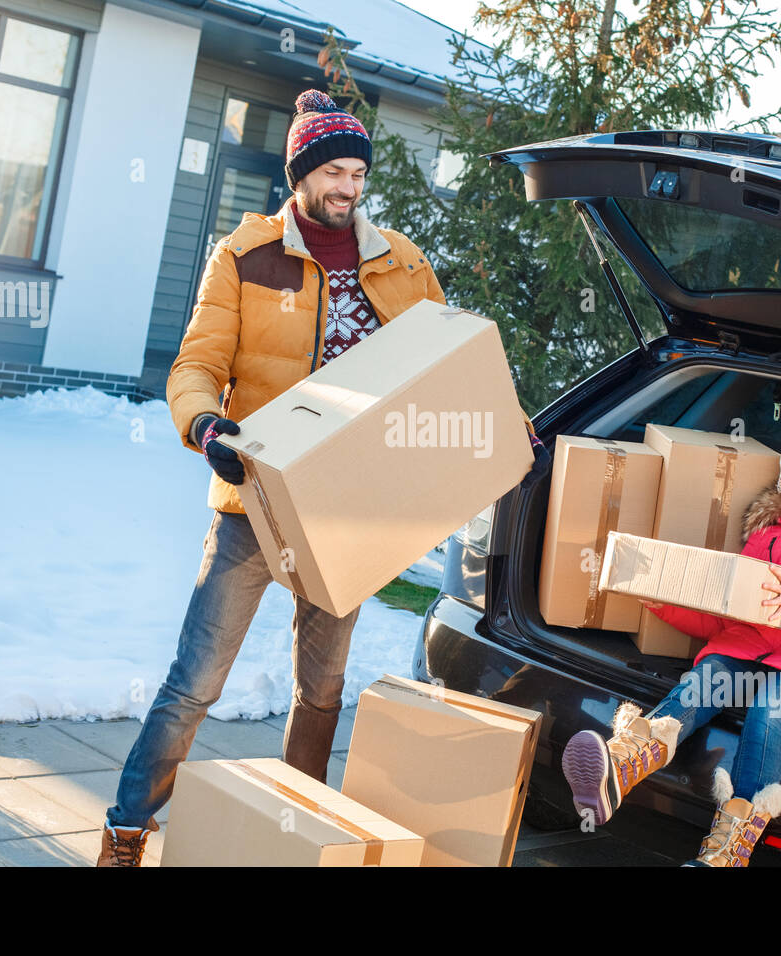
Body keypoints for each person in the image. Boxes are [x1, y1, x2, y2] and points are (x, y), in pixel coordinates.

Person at [98, 90, 549, 866]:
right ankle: (127, 828)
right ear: (300, 174)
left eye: (357, 173)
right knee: (194, 684)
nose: (348, 187)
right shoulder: (246, 256)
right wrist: (207, 425)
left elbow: (450, 361)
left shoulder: (401, 261)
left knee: (322, 690)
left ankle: (292, 837)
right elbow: (197, 365)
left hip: (350, 512)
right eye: (333, 172)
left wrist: (502, 418)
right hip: (255, 502)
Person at [561, 410, 781, 866]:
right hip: (746, 644)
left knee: (771, 709)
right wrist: (663, 604)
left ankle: (727, 852)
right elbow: (724, 614)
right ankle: (622, 766)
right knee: (705, 679)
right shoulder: (766, 533)